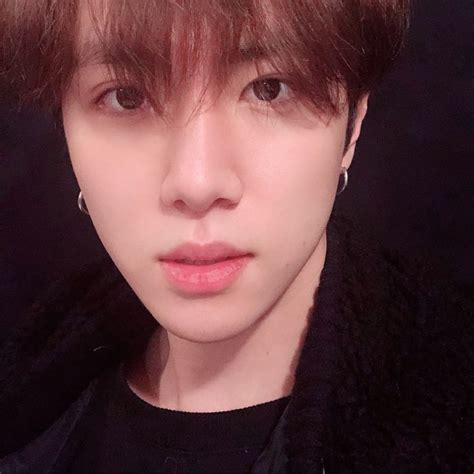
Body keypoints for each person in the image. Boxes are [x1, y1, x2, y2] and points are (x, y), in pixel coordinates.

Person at [0, 1, 472, 472]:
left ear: (353, 124)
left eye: (270, 89)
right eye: (126, 96)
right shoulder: (30, 390)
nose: (197, 183)